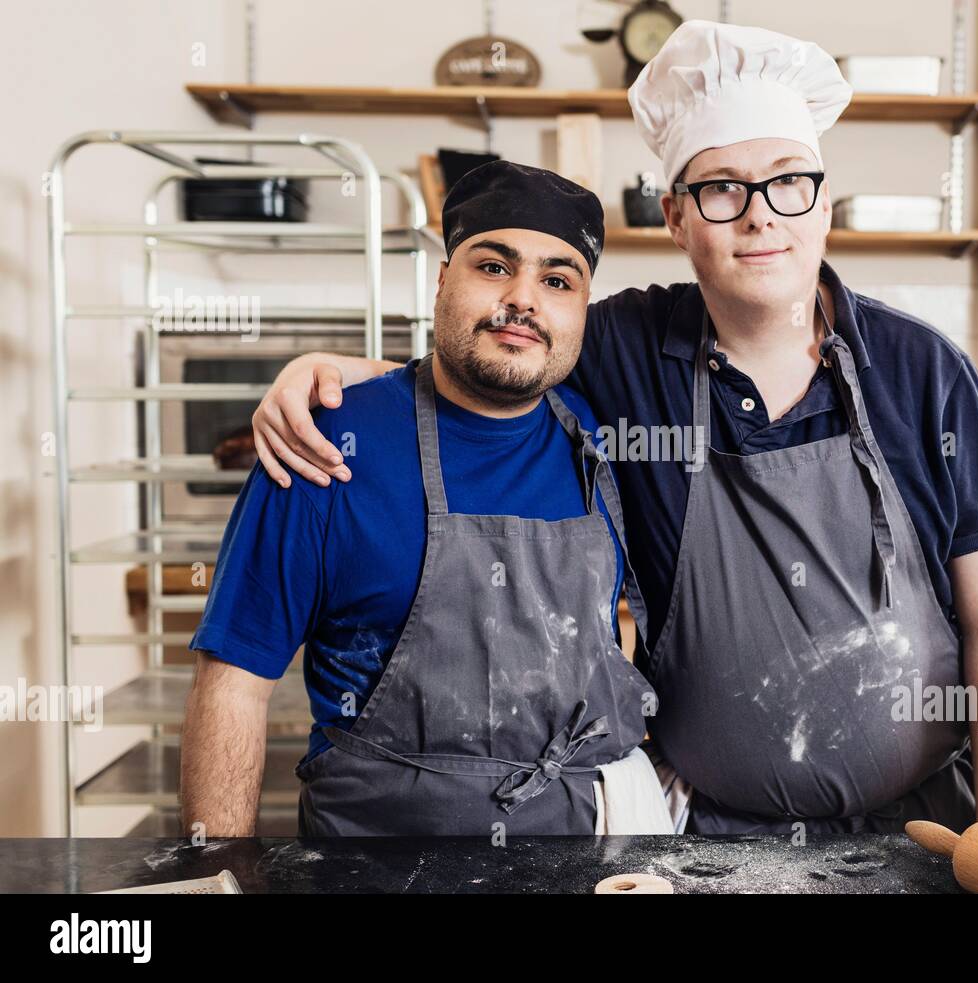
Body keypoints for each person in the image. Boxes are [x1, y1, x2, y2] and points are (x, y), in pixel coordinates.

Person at [250, 21, 978, 835]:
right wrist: (335, 371)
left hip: (927, 833)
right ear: (674, 216)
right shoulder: (628, 350)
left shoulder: (926, 376)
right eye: (722, 188)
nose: (760, 216)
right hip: (711, 843)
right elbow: (499, 354)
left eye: (787, 183)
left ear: (823, 200)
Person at [181, 162, 672, 836]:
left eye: (557, 280)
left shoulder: (605, 436)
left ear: (581, 309)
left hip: (580, 852)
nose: (524, 299)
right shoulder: (324, 442)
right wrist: (215, 871)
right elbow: (234, 681)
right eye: (494, 266)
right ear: (443, 280)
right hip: (376, 861)